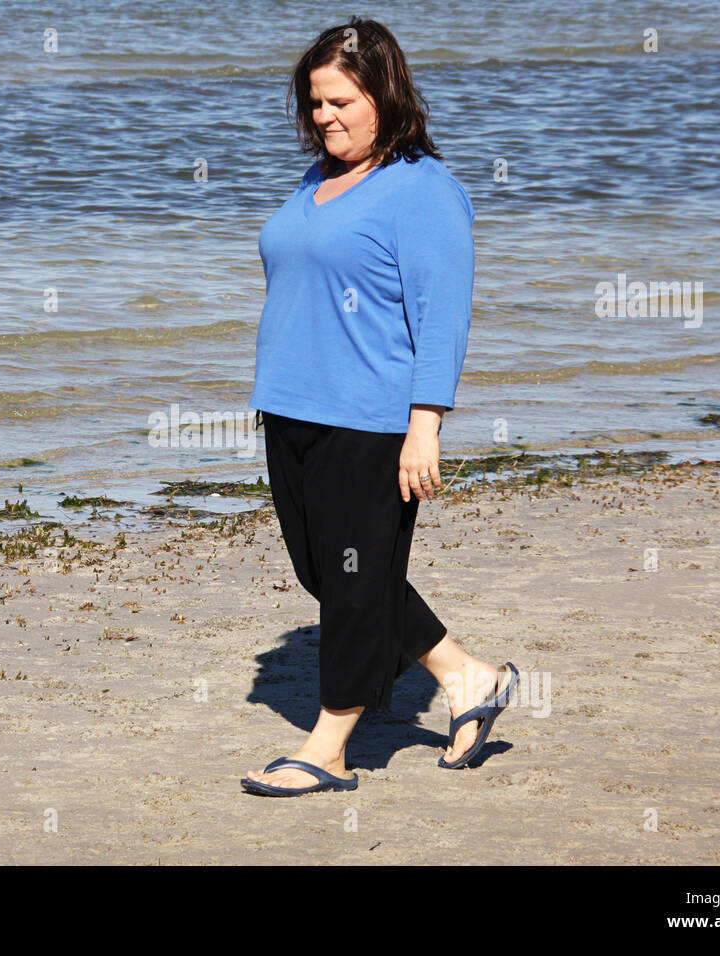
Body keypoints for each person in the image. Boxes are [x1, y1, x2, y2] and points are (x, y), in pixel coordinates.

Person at [243, 17, 518, 796]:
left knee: (356, 580)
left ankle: (328, 749)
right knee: (326, 572)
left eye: (341, 101)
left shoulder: (424, 191)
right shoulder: (317, 181)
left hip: (370, 420)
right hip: (290, 410)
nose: (326, 117)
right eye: (316, 103)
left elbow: (444, 315)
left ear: (385, 95)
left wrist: (424, 424)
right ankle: (469, 678)